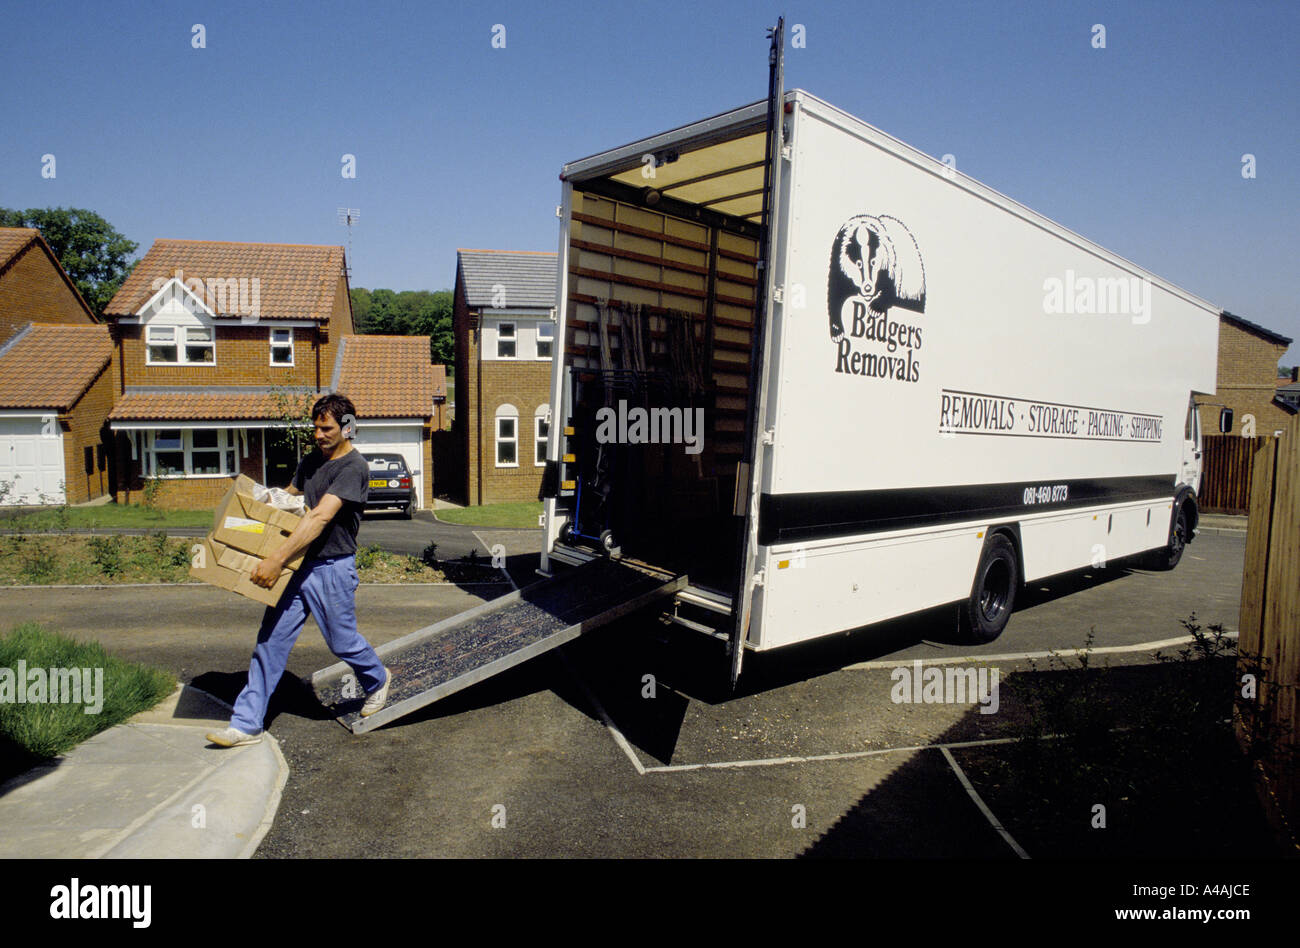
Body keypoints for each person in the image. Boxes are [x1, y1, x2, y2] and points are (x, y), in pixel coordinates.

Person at [206, 393, 391, 747]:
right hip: (298, 566)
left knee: (342, 642)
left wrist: (275, 559)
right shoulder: (311, 460)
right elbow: (291, 498)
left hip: (332, 568)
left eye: (327, 428)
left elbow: (319, 516)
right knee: (270, 643)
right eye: (316, 427)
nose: (318, 435)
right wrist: (256, 502)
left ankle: (378, 679)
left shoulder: (353, 468)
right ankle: (245, 725)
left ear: (347, 427)